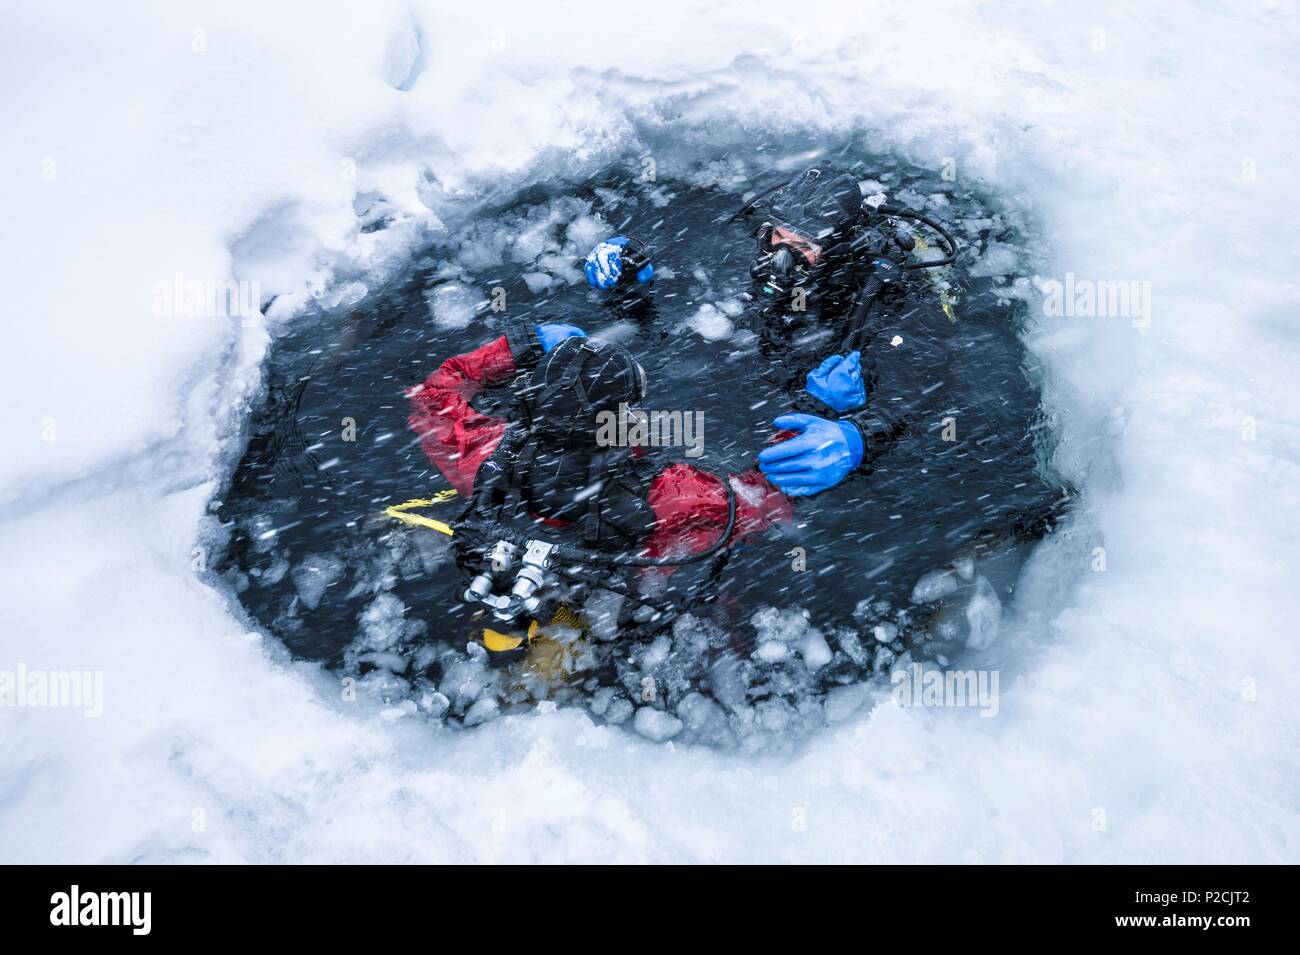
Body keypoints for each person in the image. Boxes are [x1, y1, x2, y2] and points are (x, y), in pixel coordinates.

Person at [405, 320, 863, 661]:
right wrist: (823, 411)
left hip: (518, 584)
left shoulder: (483, 455)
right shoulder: (677, 497)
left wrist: (520, 344)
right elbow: (766, 495)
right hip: (622, 613)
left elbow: (434, 393)